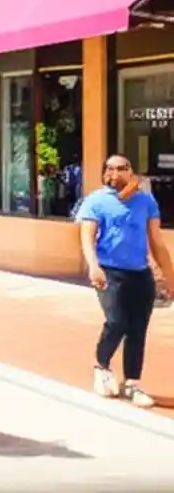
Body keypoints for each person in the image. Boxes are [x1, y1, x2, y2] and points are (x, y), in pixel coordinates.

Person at [76, 155, 173, 408]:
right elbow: (87, 236)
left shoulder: (146, 201)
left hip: (140, 274)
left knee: (137, 330)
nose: (115, 173)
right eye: (110, 168)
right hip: (109, 271)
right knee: (116, 321)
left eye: (122, 168)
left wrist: (170, 277)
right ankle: (101, 366)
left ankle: (132, 383)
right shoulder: (95, 201)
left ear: (131, 172)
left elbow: (157, 241)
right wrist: (93, 266)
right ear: (104, 172)